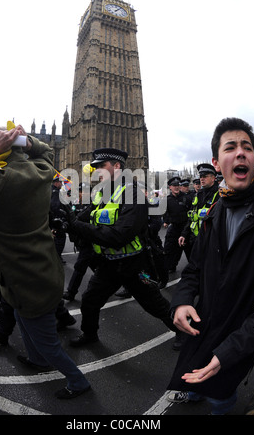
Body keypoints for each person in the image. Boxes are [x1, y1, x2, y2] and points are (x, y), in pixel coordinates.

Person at [0, 122, 90, 399]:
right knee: (23, 321)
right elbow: (44, 153)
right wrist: (27, 141)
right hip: (43, 271)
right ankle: (36, 359)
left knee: (49, 344)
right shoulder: (40, 172)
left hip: (28, 282)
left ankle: (78, 381)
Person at [167, 117, 254, 415]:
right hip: (209, 324)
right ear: (217, 161)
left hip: (247, 332)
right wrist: (181, 302)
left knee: (221, 396)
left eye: (247, 147)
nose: (240, 152)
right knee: (197, 376)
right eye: (230, 147)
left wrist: (230, 351)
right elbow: (194, 269)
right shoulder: (213, 211)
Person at [62, 148, 177, 347]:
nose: (97, 170)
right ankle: (90, 335)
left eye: (101, 166)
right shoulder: (101, 194)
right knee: (90, 300)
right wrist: (66, 222)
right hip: (109, 265)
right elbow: (84, 218)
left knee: (155, 305)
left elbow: (119, 235)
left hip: (133, 264)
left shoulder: (133, 194)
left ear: (117, 166)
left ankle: (185, 332)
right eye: (95, 166)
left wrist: (78, 226)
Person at [178, 163, 219, 258]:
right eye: (201, 176)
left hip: (211, 242)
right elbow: (192, 217)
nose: (202, 179)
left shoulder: (219, 195)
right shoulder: (198, 195)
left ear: (213, 178)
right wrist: (184, 234)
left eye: (205, 176)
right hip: (196, 240)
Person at [162, 177, 191, 273]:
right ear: (170, 187)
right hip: (174, 228)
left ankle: (194, 268)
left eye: (178, 185)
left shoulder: (186, 198)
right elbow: (165, 212)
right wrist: (166, 221)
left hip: (186, 228)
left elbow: (191, 213)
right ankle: (171, 266)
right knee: (170, 249)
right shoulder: (167, 200)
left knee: (190, 250)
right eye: (174, 186)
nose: (176, 187)